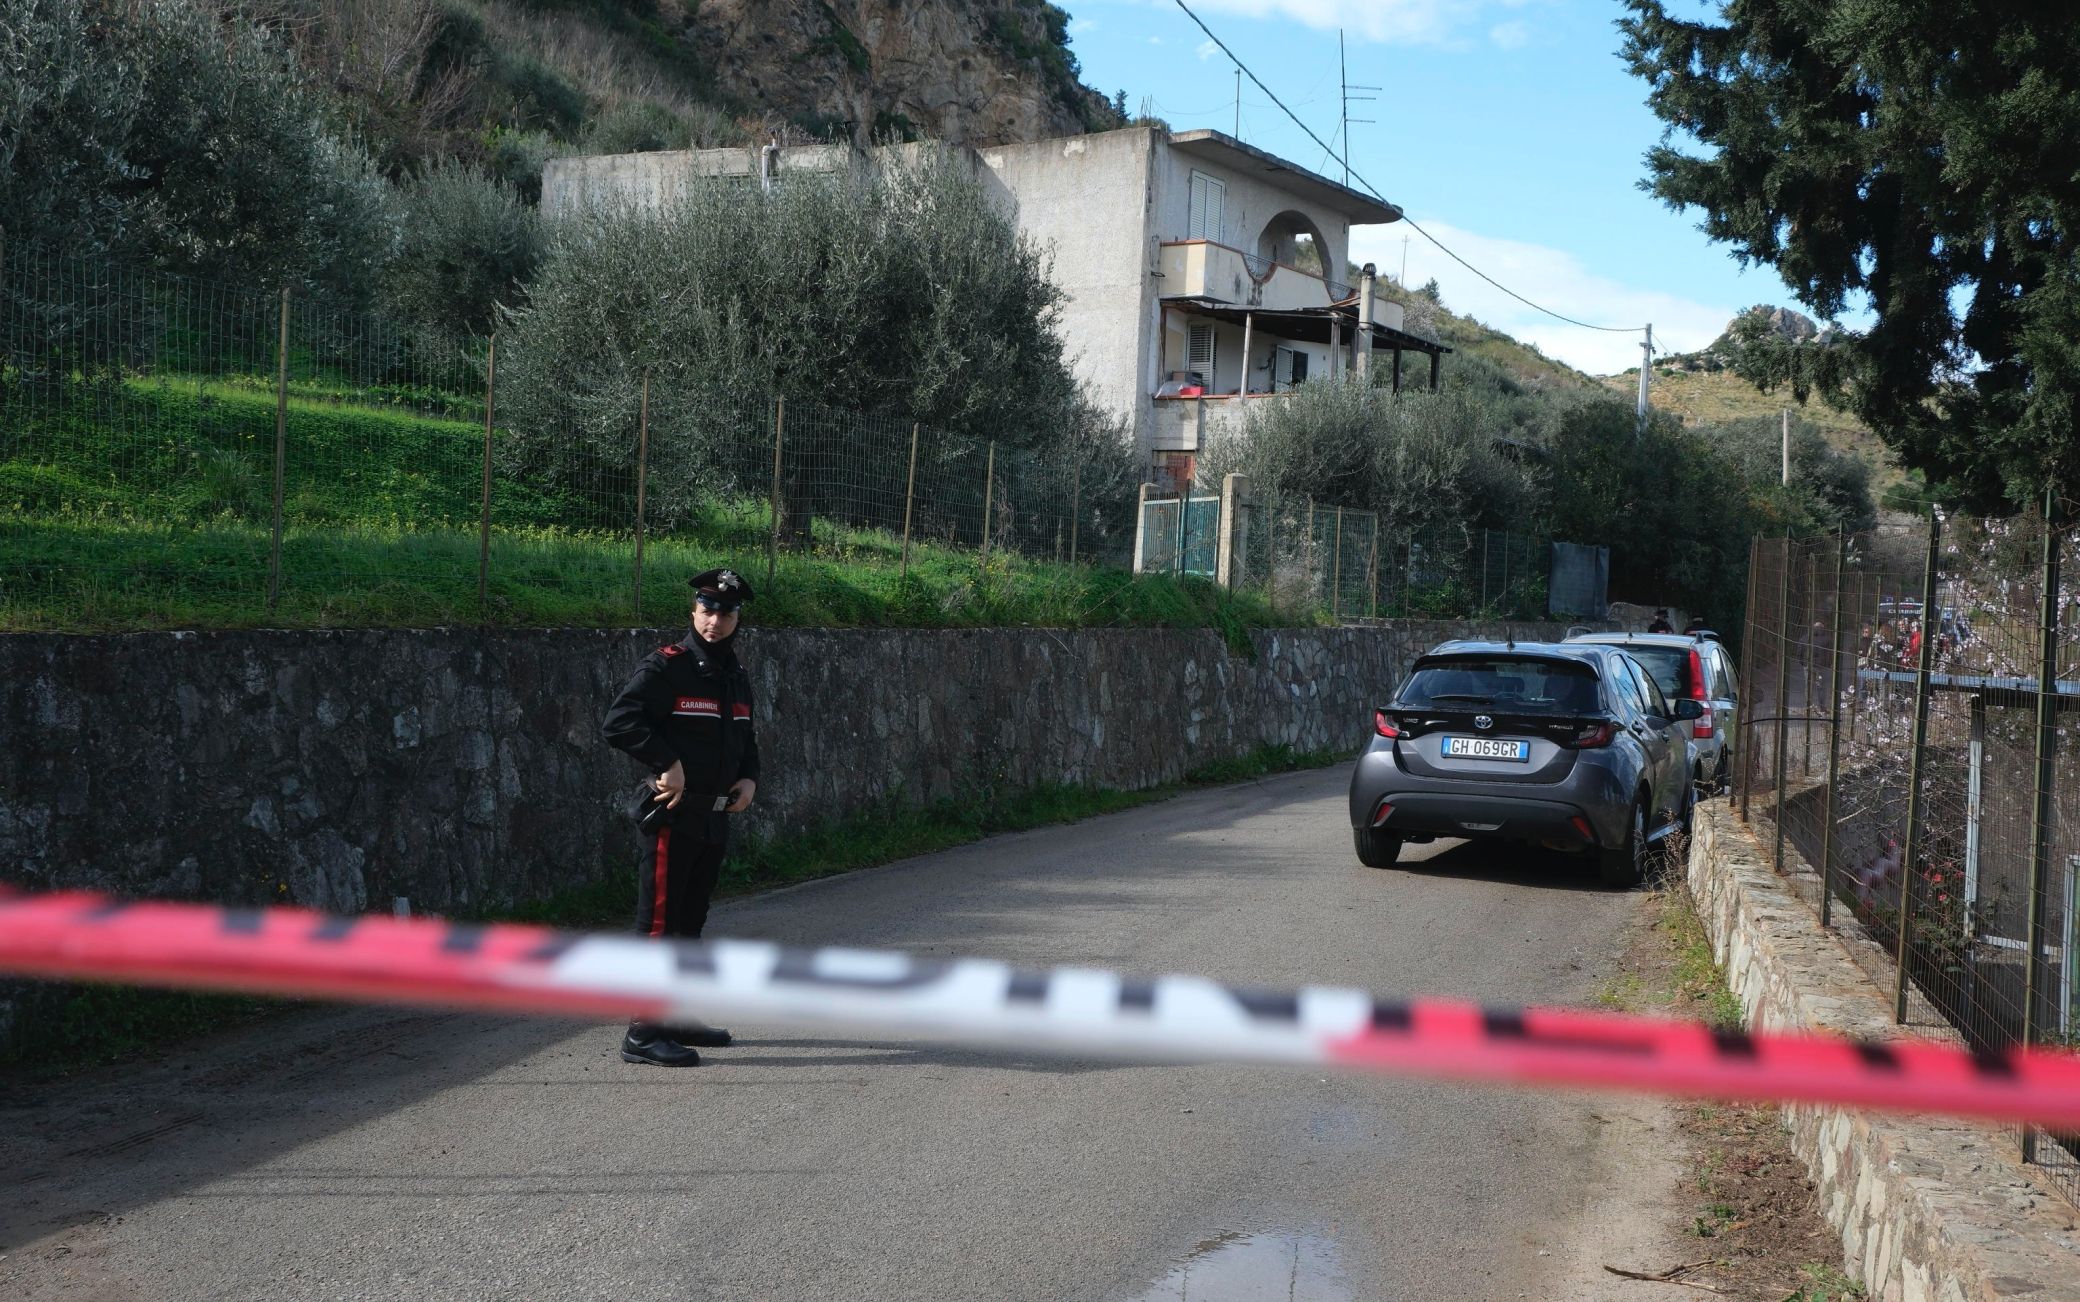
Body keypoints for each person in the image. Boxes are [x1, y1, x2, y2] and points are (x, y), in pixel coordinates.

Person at [602, 567, 761, 1067]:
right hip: (672, 817)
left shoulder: (734, 675)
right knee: (659, 925)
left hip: (713, 819)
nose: (715, 619)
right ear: (693, 612)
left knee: (689, 924)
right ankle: (644, 1033)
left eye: (726, 611)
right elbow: (620, 722)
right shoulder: (667, 667)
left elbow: (745, 740)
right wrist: (665, 761)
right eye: (707, 609)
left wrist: (750, 779)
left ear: (737, 618)